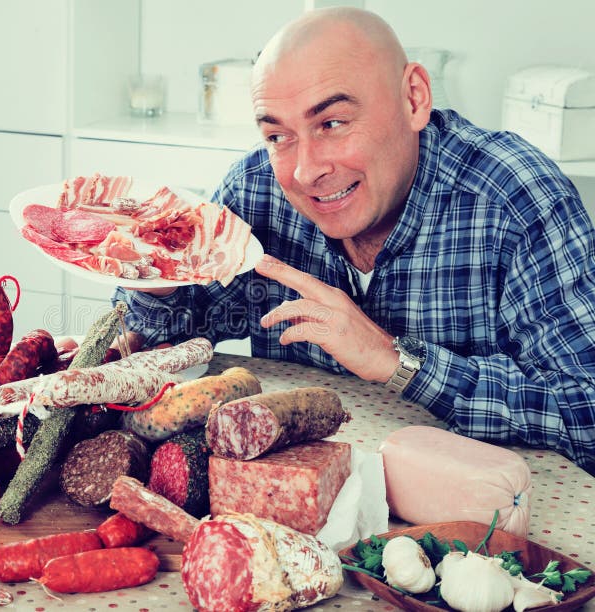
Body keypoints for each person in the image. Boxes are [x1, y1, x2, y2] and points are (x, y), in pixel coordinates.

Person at [112, 7, 595, 472]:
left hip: (486, 513)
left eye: (333, 123)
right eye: (279, 136)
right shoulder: (255, 189)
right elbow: (171, 348)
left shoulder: (515, 200)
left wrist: (396, 360)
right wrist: (159, 281)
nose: (306, 170)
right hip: (299, 499)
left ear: (414, 98)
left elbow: (586, 411)